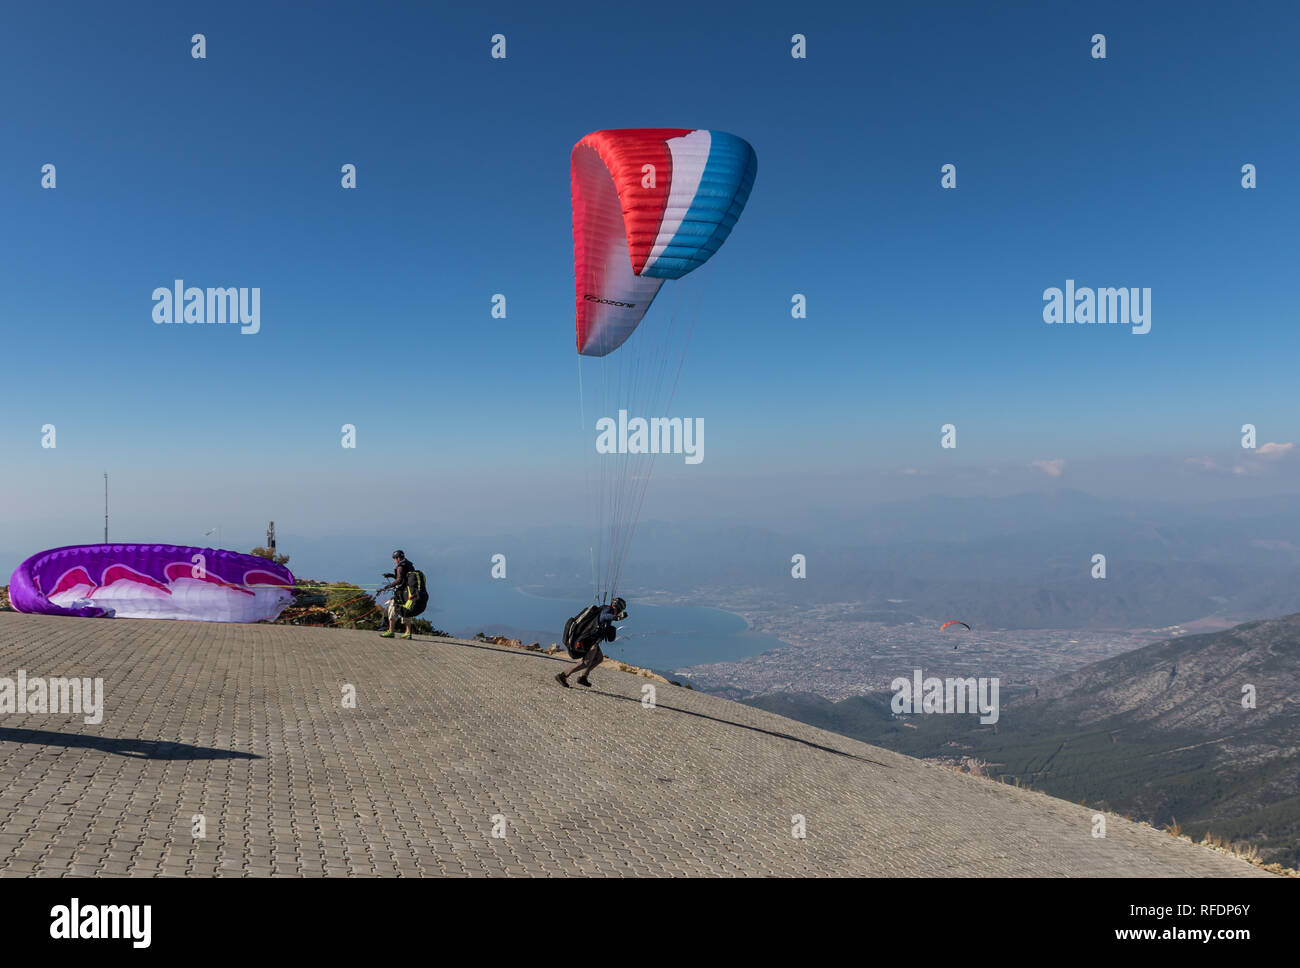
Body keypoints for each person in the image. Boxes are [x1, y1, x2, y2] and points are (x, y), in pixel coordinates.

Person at [556, 597, 626, 688]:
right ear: (618, 608)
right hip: (587, 641)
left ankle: (583, 677)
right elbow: (604, 616)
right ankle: (563, 675)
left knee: (599, 658)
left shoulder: (609, 612)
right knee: (585, 663)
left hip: (593, 642)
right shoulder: (607, 610)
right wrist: (617, 618)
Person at [378, 550, 415, 640]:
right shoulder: (409, 564)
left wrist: (388, 586)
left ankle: (391, 631)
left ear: (397, 558)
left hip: (402, 592)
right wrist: (391, 575)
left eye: (394, 559)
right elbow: (404, 578)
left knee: (392, 608)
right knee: (406, 611)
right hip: (409, 592)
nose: (394, 560)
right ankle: (408, 633)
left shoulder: (400, 566)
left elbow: (399, 580)